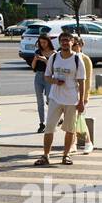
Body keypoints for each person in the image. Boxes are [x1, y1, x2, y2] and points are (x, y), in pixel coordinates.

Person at [36, 30, 85, 166]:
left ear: (72, 42)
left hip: (71, 99)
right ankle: (46, 155)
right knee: (49, 128)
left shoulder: (77, 59)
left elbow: (82, 81)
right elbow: (47, 76)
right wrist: (55, 81)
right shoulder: (54, 57)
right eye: (62, 40)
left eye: (67, 40)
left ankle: (66, 155)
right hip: (55, 98)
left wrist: (81, 101)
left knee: (69, 129)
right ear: (59, 42)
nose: (64, 42)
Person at [73, 34, 97, 154]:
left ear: (81, 45)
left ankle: (88, 142)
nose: (73, 47)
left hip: (80, 95)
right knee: (71, 120)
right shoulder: (68, 57)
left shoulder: (85, 59)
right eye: (72, 44)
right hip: (69, 94)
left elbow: (87, 80)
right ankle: (72, 143)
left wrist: (85, 97)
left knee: (79, 118)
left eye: (76, 44)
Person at [31, 33, 55, 132]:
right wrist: (35, 59)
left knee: (50, 100)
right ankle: (42, 123)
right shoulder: (38, 51)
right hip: (39, 76)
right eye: (41, 42)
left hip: (49, 77)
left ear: (49, 42)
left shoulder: (54, 53)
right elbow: (33, 67)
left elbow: (54, 69)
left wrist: (46, 61)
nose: (43, 44)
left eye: (44, 42)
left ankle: (54, 119)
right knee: (39, 101)